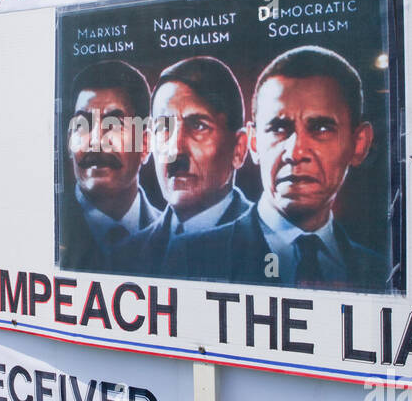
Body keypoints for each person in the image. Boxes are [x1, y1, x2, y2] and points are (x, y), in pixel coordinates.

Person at [167, 45, 389, 293]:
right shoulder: (186, 258)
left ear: (358, 144)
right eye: (278, 128)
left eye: (321, 129)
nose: (295, 153)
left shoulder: (380, 271)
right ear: (253, 142)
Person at [113, 56, 251, 276]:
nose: (176, 150)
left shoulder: (276, 248)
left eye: (198, 126)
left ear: (238, 149)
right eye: (164, 127)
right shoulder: (124, 257)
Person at [58, 59, 158, 272]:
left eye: (113, 125)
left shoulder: (178, 236)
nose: (95, 140)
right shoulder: (49, 227)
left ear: (145, 143)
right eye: (81, 125)